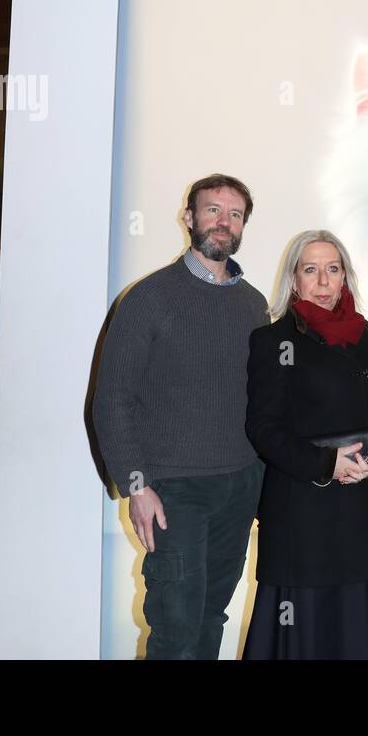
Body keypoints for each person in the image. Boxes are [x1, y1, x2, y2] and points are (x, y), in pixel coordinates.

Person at [92, 174, 269, 659]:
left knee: (212, 616)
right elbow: (113, 398)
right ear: (189, 218)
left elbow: (263, 400)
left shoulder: (253, 305)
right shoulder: (148, 298)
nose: (223, 222)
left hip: (238, 487)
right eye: (213, 210)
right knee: (175, 627)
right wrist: (136, 483)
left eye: (234, 214)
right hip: (174, 490)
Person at [242, 230, 368, 659]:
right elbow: (263, 428)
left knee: (353, 637)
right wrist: (327, 463)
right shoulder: (274, 342)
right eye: (311, 270)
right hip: (302, 518)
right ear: (294, 280)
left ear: (345, 276)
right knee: (300, 639)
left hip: (358, 512)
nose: (324, 282)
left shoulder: (363, 336)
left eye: (333, 269)